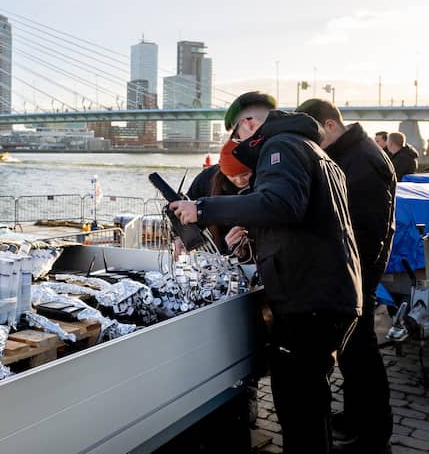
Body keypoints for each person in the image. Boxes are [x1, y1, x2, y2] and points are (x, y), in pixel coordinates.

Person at [169, 91, 361, 454]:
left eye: (236, 136)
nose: (237, 145)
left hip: (307, 299)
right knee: (311, 406)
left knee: (297, 408)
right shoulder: (313, 150)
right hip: (329, 294)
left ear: (249, 124)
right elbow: (299, 214)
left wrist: (203, 209)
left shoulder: (281, 146)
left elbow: (282, 204)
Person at [297, 99, 395, 454]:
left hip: (359, 272)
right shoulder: (350, 154)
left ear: (330, 125)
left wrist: (351, 274)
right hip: (352, 270)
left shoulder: (363, 160)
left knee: (361, 353)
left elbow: (367, 229)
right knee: (352, 352)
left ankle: (373, 434)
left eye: (315, 137)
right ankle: (355, 417)